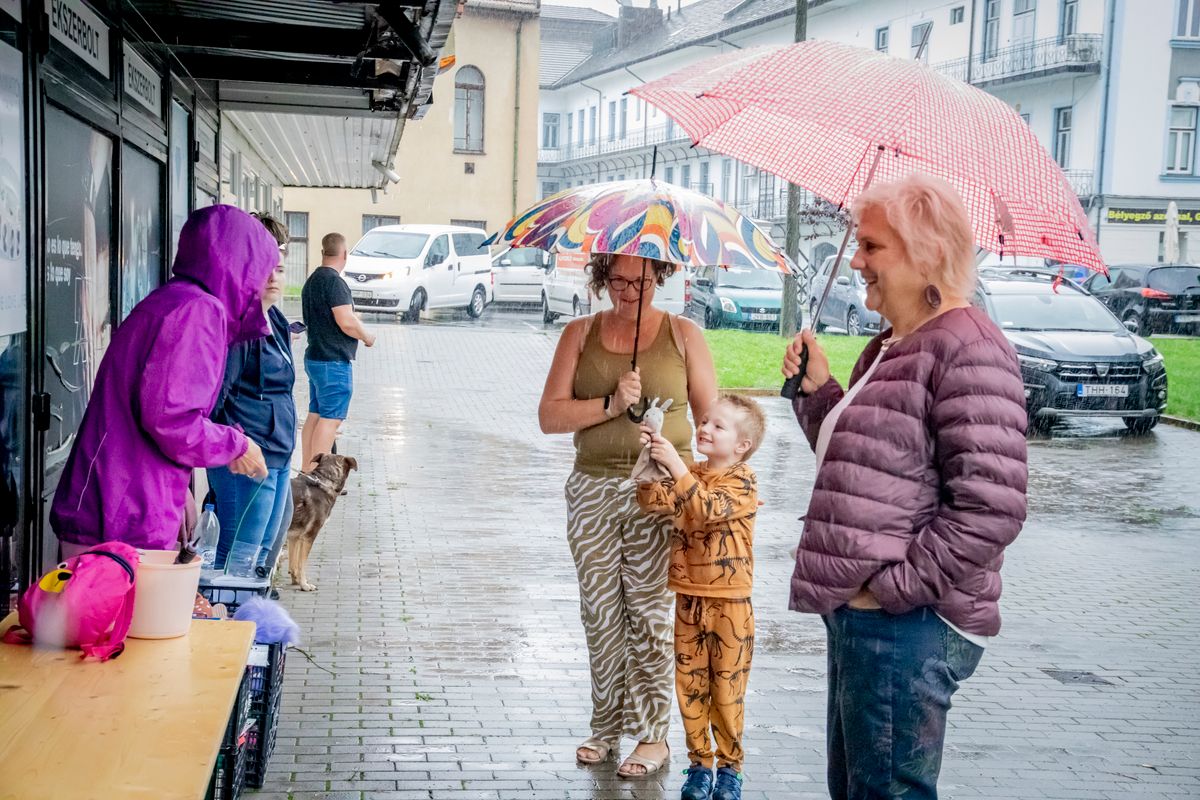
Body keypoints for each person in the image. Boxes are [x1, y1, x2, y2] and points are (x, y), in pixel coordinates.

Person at [781, 173, 1028, 799]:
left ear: (927, 253)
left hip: (907, 623)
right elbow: (864, 471)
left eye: (871, 247)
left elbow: (991, 508)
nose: (856, 261)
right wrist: (819, 395)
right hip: (868, 617)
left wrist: (893, 590)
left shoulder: (967, 349)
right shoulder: (892, 345)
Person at [538, 253, 717, 778]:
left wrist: (694, 473)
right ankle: (605, 725)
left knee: (648, 617)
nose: (628, 291)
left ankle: (653, 736)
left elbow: (711, 417)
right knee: (600, 613)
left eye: (639, 281)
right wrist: (613, 404)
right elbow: (550, 416)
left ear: (658, 277)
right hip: (593, 488)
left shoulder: (683, 335)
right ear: (602, 279)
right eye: (617, 280)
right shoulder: (579, 333)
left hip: (658, 492)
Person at [51, 205, 275, 555]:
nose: (267, 282)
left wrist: (180, 488)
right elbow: (172, 419)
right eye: (262, 269)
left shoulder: (177, 299)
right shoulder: (200, 310)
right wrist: (237, 445)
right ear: (239, 267)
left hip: (116, 504)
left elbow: (158, 409)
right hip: (121, 515)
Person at [636, 394, 766, 800]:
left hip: (730, 603)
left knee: (726, 691)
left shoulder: (743, 480)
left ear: (741, 445)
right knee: (690, 687)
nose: (705, 429)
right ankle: (699, 765)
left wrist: (676, 467)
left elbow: (707, 507)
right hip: (688, 600)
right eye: (705, 421)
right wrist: (652, 460)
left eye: (718, 426)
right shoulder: (690, 471)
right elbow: (651, 500)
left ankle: (730, 769)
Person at [206, 213, 296, 575]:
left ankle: (252, 622)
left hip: (278, 449)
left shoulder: (273, 319)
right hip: (247, 456)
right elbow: (214, 400)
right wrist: (234, 446)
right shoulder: (239, 324)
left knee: (261, 557)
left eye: (281, 268)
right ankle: (227, 621)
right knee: (237, 559)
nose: (274, 276)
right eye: (266, 267)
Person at [300, 232, 375, 472]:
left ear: (323, 252)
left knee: (316, 415)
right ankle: (319, 477)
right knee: (330, 420)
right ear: (345, 255)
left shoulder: (312, 281)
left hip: (315, 357)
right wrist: (366, 336)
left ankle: (306, 470)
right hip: (334, 362)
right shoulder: (335, 283)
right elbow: (346, 321)